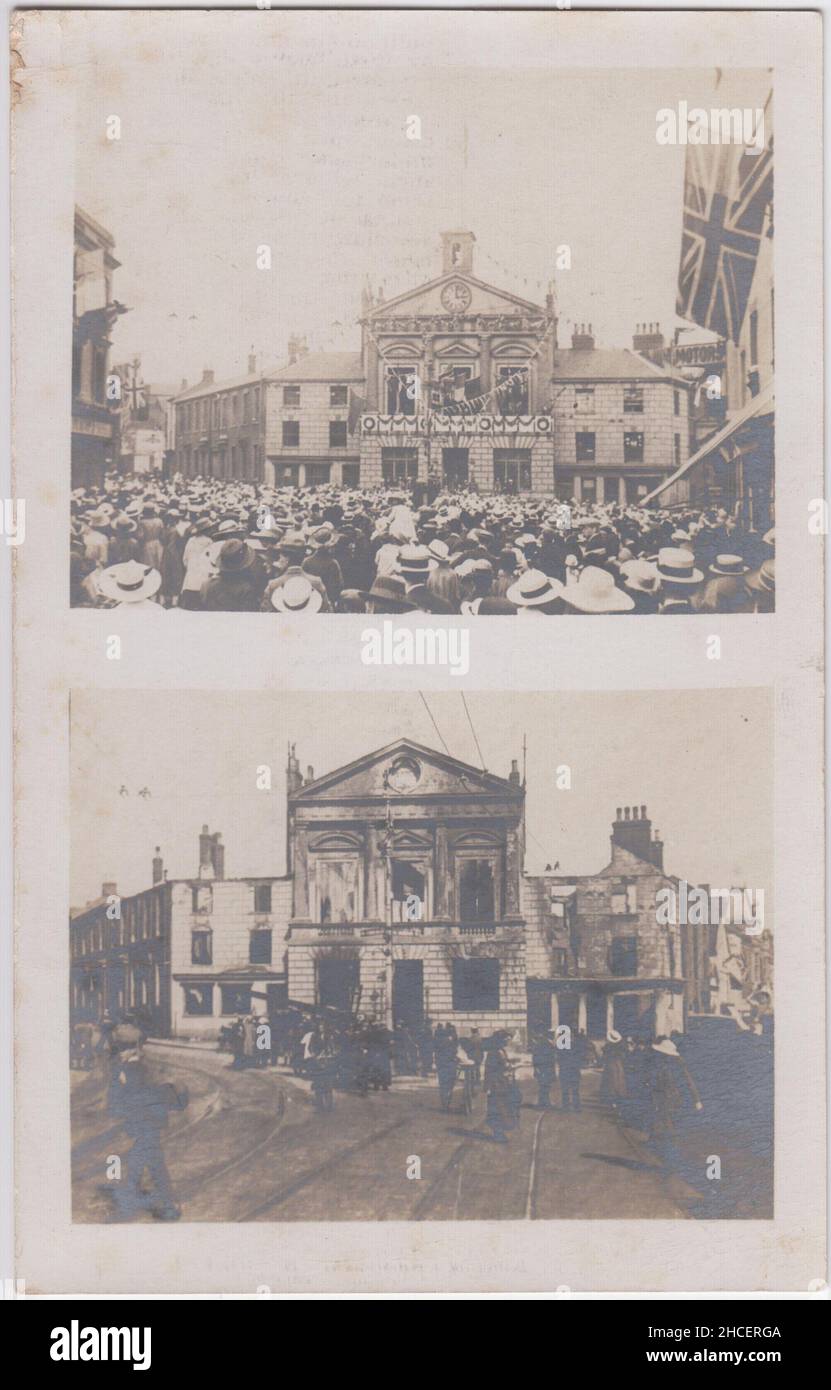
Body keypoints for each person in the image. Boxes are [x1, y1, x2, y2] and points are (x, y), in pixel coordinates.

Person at [108, 1046, 188, 1221]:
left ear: (127, 1052)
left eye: (120, 1050)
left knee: (149, 1165)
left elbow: (114, 1109)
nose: (119, 1053)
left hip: (139, 1128)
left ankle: (157, 1207)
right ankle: (162, 1206)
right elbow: (179, 1103)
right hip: (153, 1128)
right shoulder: (155, 1071)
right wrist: (179, 1086)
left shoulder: (121, 1074)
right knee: (149, 1163)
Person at [644, 1037, 703, 1168]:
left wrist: (696, 1099)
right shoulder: (658, 1064)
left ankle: (671, 1161)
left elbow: (688, 1082)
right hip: (661, 1101)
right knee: (664, 1130)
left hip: (672, 1101)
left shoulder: (677, 1065)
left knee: (669, 1131)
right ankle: (668, 1159)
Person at [483, 1030, 521, 1142]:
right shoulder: (494, 1052)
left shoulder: (500, 1051)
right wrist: (488, 1087)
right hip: (497, 1085)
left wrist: (512, 1061)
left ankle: (500, 1132)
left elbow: (504, 1063)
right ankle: (498, 1133)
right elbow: (490, 1070)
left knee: (503, 1108)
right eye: (506, 1040)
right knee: (498, 1109)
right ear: (500, 1040)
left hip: (503, 1084)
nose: (508, 1042)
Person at [558, 1028, 590, 1111]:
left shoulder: (562, 1047)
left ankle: (566, 1106)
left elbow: (559, 1059)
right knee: (574, 1090)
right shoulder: (577, 1046)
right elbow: (581, 1057)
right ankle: (576, 1106)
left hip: (566, 1071)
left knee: (566, 1089)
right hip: (573, 1071)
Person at [599, 1029, 628, 1111]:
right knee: (618, 1083)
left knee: (611, 1083)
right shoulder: (621, 1047)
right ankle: (617, 1101)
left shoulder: (608, 1047)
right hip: (619, 1066)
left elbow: (604, 1058)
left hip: (611, 1066)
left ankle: (612, 1102)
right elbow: (624, 1057)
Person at [532, 1029, 559, 1109]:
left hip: (547, 1068)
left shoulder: (549, 1043)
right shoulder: (544, 1044)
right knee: (544, 1086)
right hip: (544, 1069)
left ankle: (544, 1102)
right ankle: (543, 1103)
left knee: (546, 1086)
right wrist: (537, 1068)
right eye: (553, 1034)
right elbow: (536, 1056)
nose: (554, 1036)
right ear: (549, 1035)